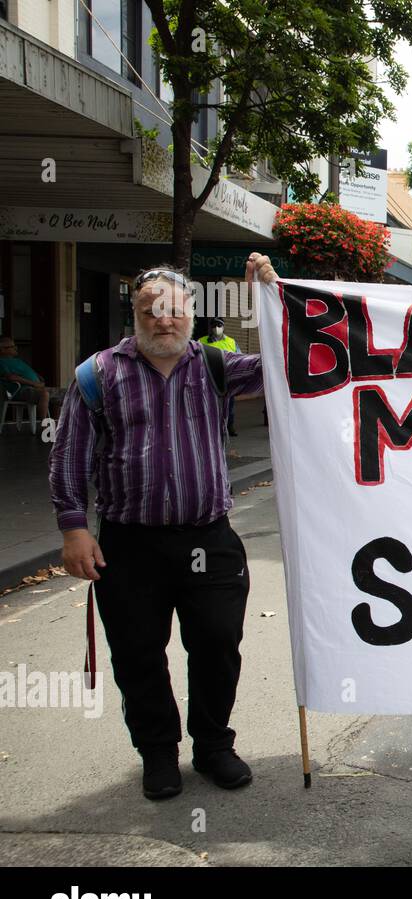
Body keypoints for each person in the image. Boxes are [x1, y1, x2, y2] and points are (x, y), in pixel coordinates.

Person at [48, 257, 276, 800]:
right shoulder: (96, 375)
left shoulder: (216, 367)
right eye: (151, 310)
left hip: (209, 539)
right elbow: (70, 455)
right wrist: (74, 527)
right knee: (137, 652)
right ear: (136, 316)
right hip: (130, 545)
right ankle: (158, 753)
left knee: (218, 641)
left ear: (192, 314)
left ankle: (214, 745)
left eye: (174, 309)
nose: (163, 320)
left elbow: (286, 365)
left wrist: (269, 296)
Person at [199, 318, 241, 435]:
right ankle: (211, 427)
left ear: (223, 326)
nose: (216, 328)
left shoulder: (231, 342)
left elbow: (239, 357)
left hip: (227, 376)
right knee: (210, 403)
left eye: (219, 325)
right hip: (209, 377)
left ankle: (229, 426)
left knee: (229, 403)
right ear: (210, 327)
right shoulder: (202, 341)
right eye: (214, 325)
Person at [0, 334, 51, 422]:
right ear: (2, 349)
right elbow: (11, 377)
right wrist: (34, 383)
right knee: (44, 394)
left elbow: (30, 372)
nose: (16, 348)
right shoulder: (2, 362)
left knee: (68, 393)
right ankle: (44, 426)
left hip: (35, 388)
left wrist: (38, 378)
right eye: (12, 346)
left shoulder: (18, 360)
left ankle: (68, 426)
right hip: (19, 390)